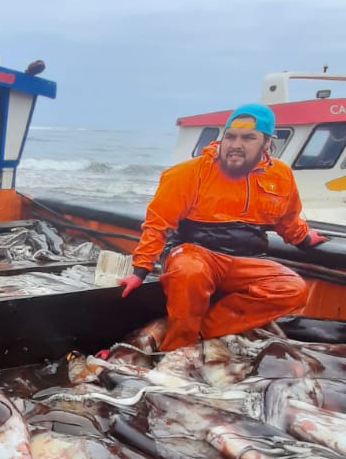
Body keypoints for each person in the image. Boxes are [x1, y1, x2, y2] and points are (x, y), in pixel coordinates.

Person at [119, 104, 327, 352]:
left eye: (248, 138)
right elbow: (157, 223)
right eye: (230, 136)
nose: (236, 144)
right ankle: (175, 348)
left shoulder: (280, 175)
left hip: (247, 261)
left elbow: (288, 219)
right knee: (189, 272)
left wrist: (304, 239)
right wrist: (140, 271)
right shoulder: (188, 173)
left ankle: (200, 333)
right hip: (195, 252)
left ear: (267, 143)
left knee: (294, 289)